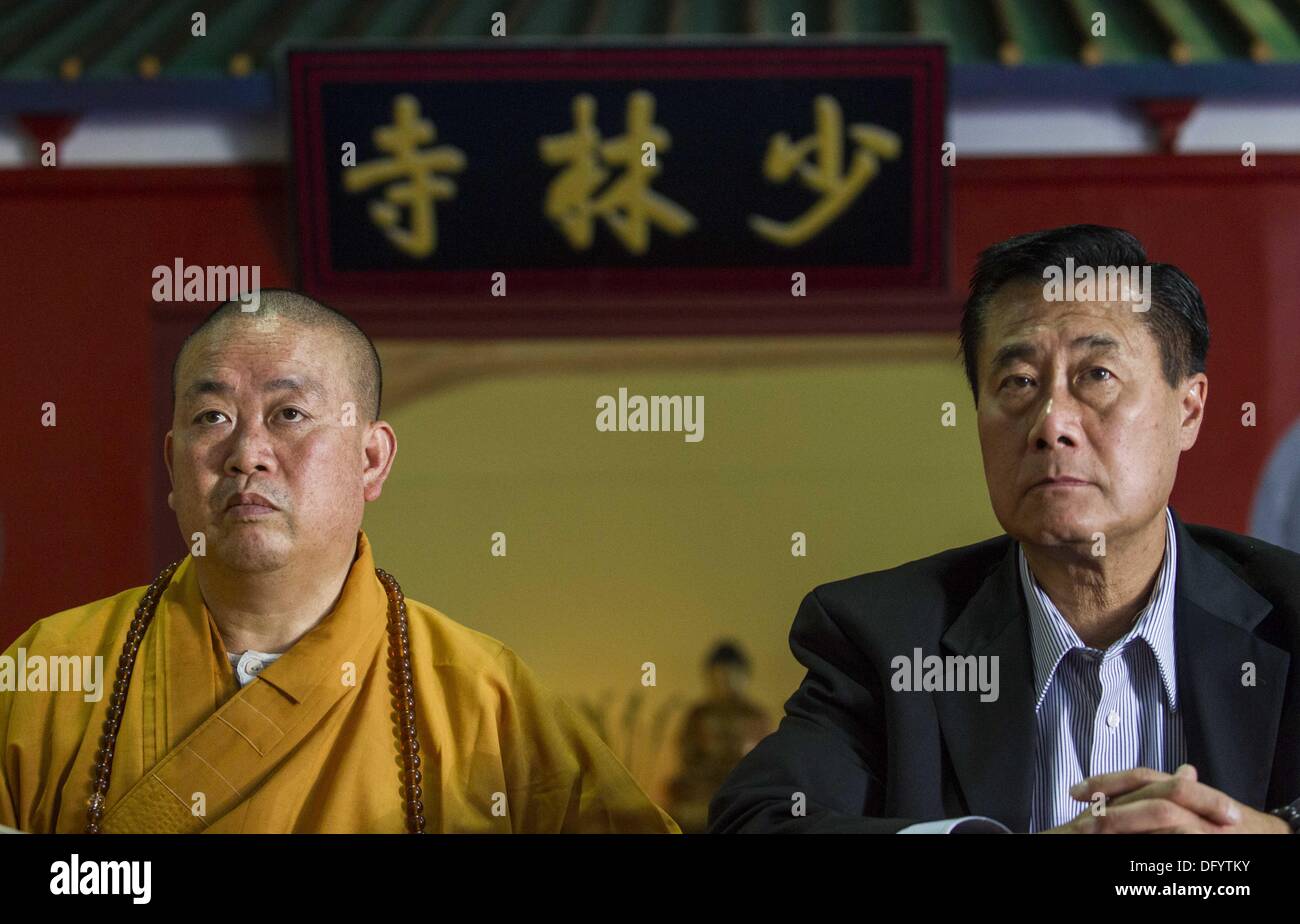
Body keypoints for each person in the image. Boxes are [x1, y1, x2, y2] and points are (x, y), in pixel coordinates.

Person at [0, 289, 679, 834]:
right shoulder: (54, 669)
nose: (248, 453)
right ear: (174, 461)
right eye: (212, 417)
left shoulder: (483, 696)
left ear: (371, 458)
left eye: (289, 413)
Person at [710, 225, 1300, 834]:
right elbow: (755, 824)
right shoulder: (883, 641)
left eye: (1097, 375)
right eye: (1018, 383)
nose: (1052, 424)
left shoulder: (1289, 616)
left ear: (1188, 409)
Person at [666, 641, 772, 832]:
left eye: (731, 675)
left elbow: (764, 760)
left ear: (745, 676)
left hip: (743, 788)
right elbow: (687, 755)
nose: (725, 683)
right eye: (719, 676)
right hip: (703, 789)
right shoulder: (697, 715)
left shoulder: (756, 716)